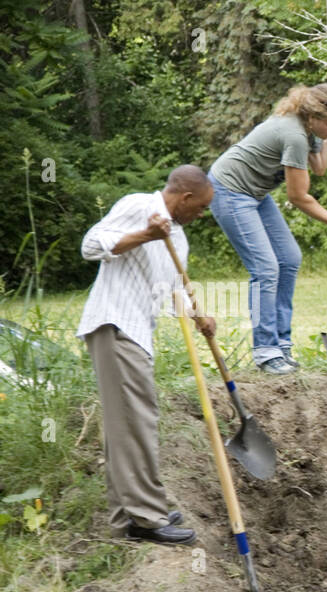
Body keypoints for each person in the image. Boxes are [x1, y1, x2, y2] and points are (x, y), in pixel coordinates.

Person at [77, 165, 216, 545]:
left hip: (135, 330)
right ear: (185, 197)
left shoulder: (179, 237)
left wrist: (197, 314)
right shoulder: (139, 205)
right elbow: (91, 246)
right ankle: (148, 518)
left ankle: (124, 519)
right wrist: (145, 234)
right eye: (200, 208)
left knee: (124, 426)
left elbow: (169, 291)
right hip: (115, 325)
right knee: (138, 419)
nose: (201, 215)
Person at [207, 83, 327, 374]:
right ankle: (265, 351)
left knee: (289, 259)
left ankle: (281, 344)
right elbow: (297, 197)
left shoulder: (309, 129)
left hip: (255, 194)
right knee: (265, 269)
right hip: (229, 191)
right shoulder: (294, 135)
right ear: (313, 117)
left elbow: (321, 167)